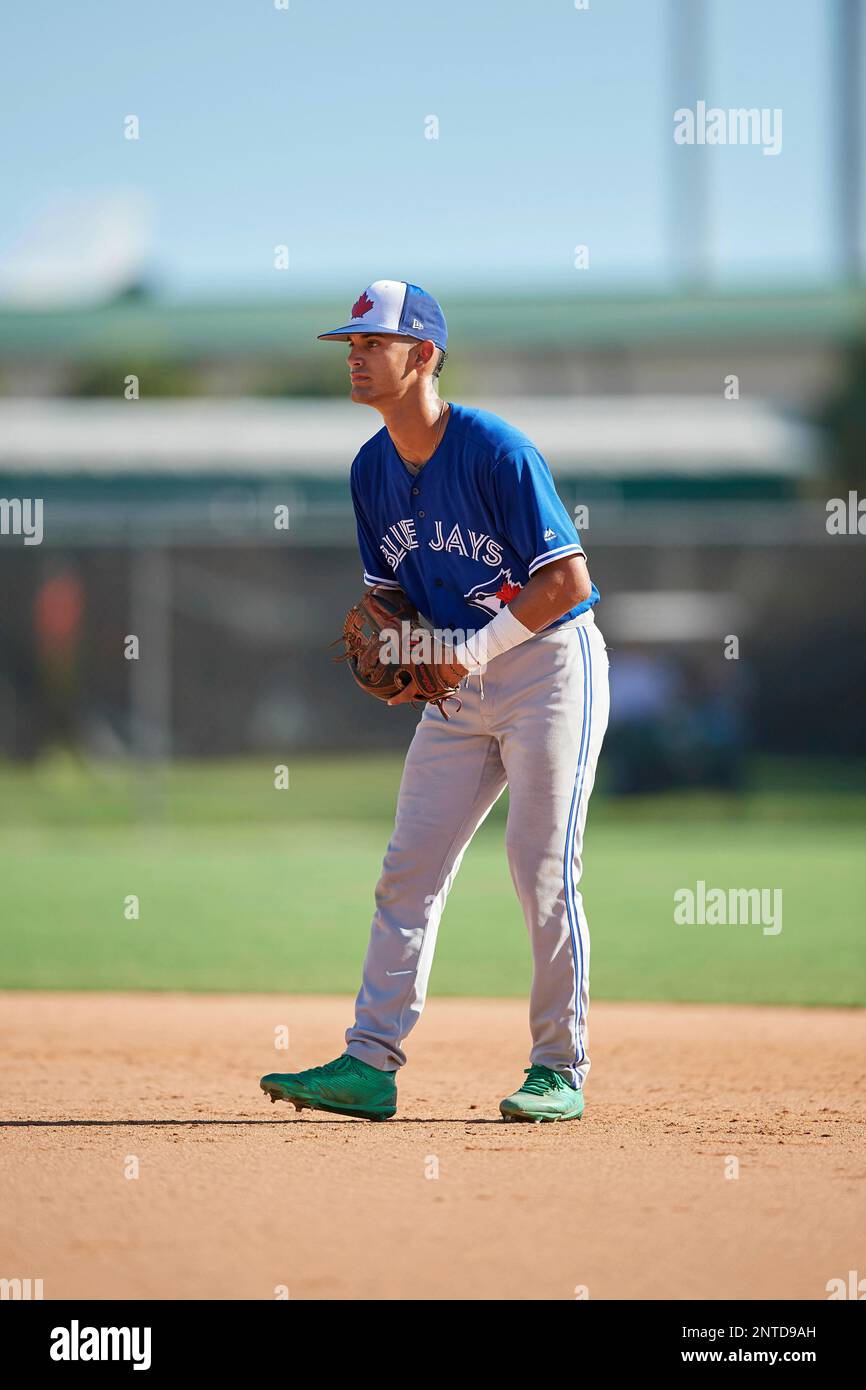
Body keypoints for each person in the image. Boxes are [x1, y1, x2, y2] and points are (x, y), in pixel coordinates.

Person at [261, 280, 610, 1123]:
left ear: (424, 356)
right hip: (457, 683)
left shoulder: (497, 452)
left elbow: (567, 581)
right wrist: (411, 653)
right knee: (408, 870)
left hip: (547, 672)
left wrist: (467, 654)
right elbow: (390, 599)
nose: (354, 358)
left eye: (370, 344)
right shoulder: (371, 470)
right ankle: (368, 1063)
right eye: (349, 346)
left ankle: (557, 1069)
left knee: (540, 870)